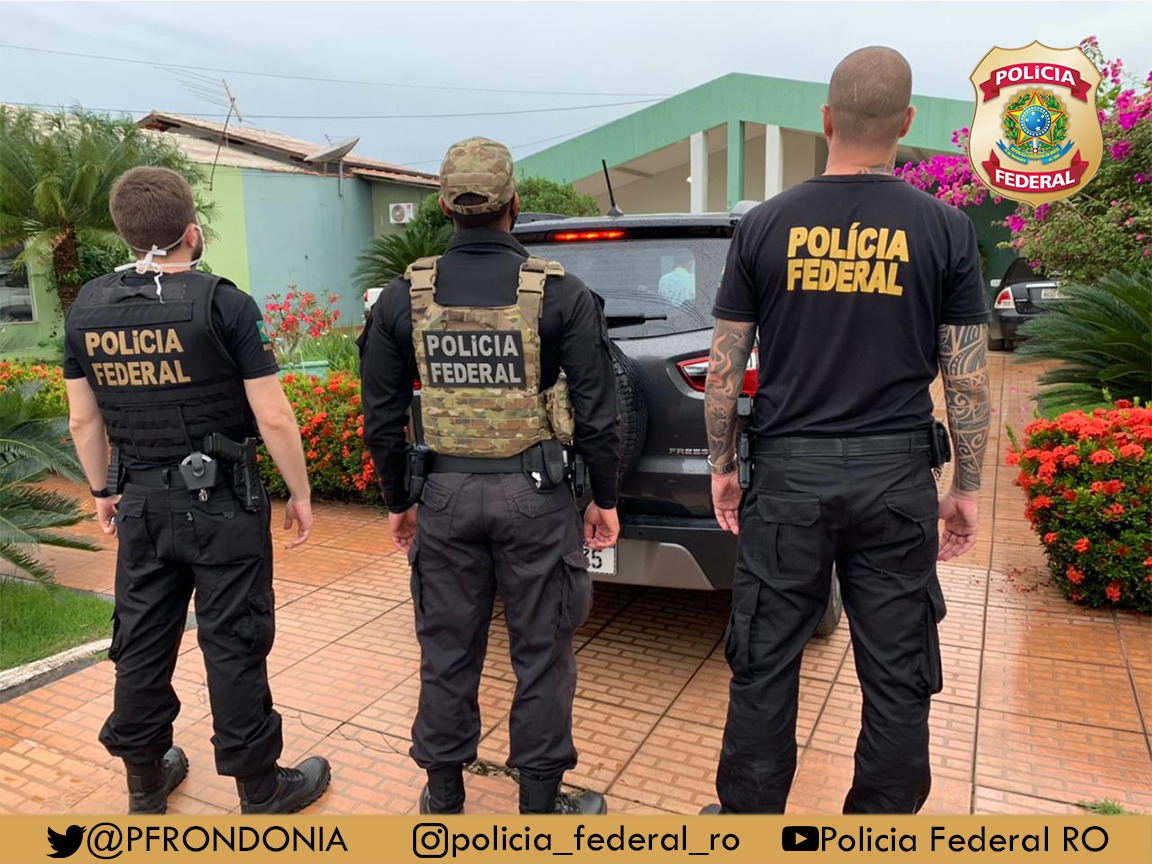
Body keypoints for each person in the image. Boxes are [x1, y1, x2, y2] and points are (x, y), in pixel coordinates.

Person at [701, 47, 990, 814]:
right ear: (906, 122)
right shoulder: (946, 230)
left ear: (826, 120)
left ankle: (748, 830)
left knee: (765, 663)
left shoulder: (764, 226)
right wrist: (966, 488)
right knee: (898, 674)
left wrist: (722, 467)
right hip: (897, 484)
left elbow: (725, 371)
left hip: (787, 483)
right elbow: (966, 378)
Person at [359, 137, 620, 816]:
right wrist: (605, 498)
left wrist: (399, 501)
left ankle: (443, 795)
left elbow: (382, 417)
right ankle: (539, 802)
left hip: (444, 497)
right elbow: (599, 412)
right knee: (542, 651)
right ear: (514, 204)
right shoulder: (560, 294)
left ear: (446, 206)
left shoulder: (402, 297)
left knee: (446, 649)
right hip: (536, 497)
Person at [63, 167, 331, 815]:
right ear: (191, 232)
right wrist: (299, 493)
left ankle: (145, 782)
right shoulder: (224, 304)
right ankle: (259, 788)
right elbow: (273, 416)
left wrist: (101, 490)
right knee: (233, 640)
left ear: (126, 235)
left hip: (140, 503)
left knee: (141, 640)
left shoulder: (87, 309)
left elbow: (83, 421)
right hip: (223, 506)